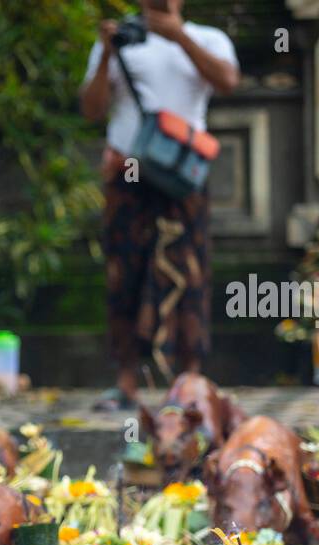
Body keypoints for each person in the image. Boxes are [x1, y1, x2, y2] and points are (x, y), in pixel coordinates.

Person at [79, 0, 238, 411]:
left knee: (191, 273)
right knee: (124, 275)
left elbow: (227, 82)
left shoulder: (207, 38)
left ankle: (191, 382)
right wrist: (107, 53)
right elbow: (91, 109)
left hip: (182, 179)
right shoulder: (122, 40)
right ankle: (126, 382)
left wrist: (178, 36)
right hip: (127, 176)